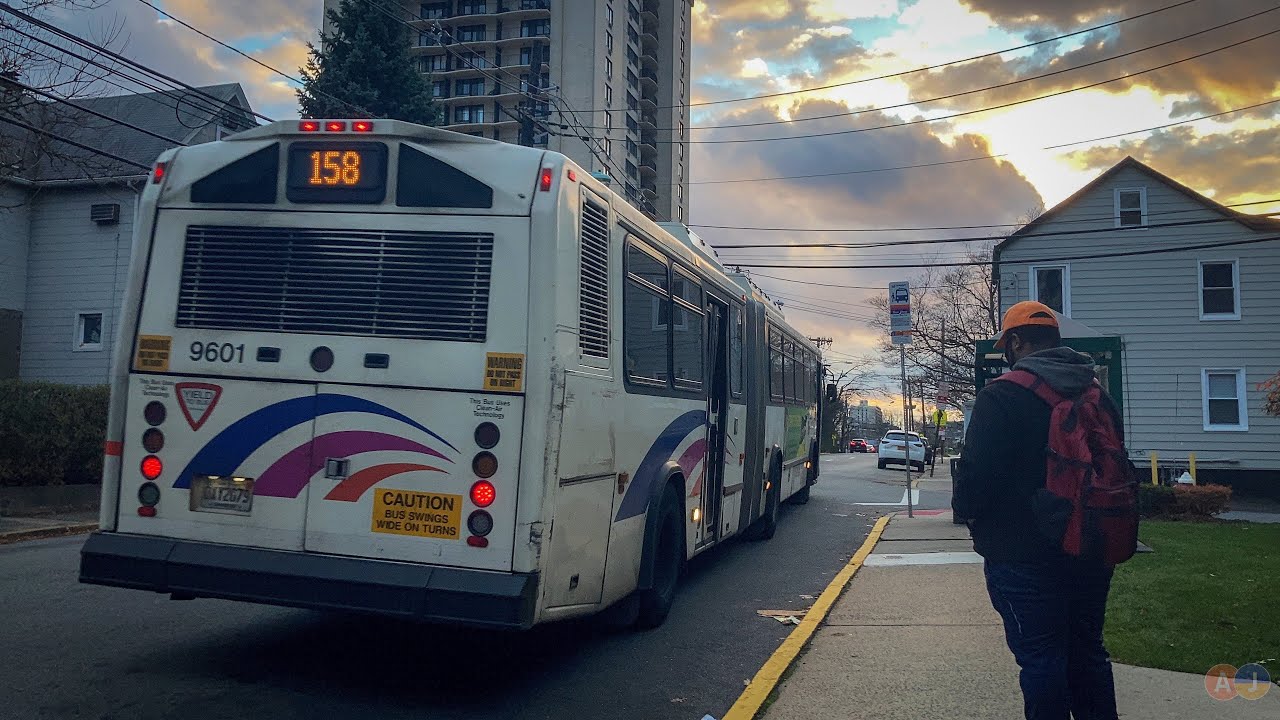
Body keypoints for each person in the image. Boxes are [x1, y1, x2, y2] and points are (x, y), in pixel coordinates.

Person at [954, 301, 1122, 720]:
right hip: (1090, 547)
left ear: (1013, 342)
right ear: (1055, 342)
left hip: (1021, 554)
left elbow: (976, 478)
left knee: (1042, 659)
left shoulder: (1001, 395)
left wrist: (970, 517)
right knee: (1087, 653)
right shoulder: (1097, 394)